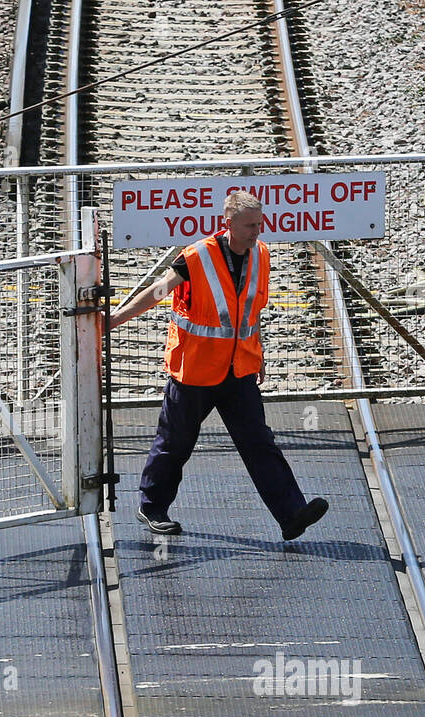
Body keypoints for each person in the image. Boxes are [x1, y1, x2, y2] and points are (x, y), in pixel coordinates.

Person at [110, 190, 328, 540]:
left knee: (259, 442)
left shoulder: (261, 255)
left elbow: (250, 313)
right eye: (249, 226)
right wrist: (115, 319)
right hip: (194, 370)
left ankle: (291, 514)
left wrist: (259, 354)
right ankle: (152, 506)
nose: (257, 232)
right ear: (227, 223)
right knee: (176, 441)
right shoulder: (196, 256)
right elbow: (160, 290)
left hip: (238, 370)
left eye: (259, 224)